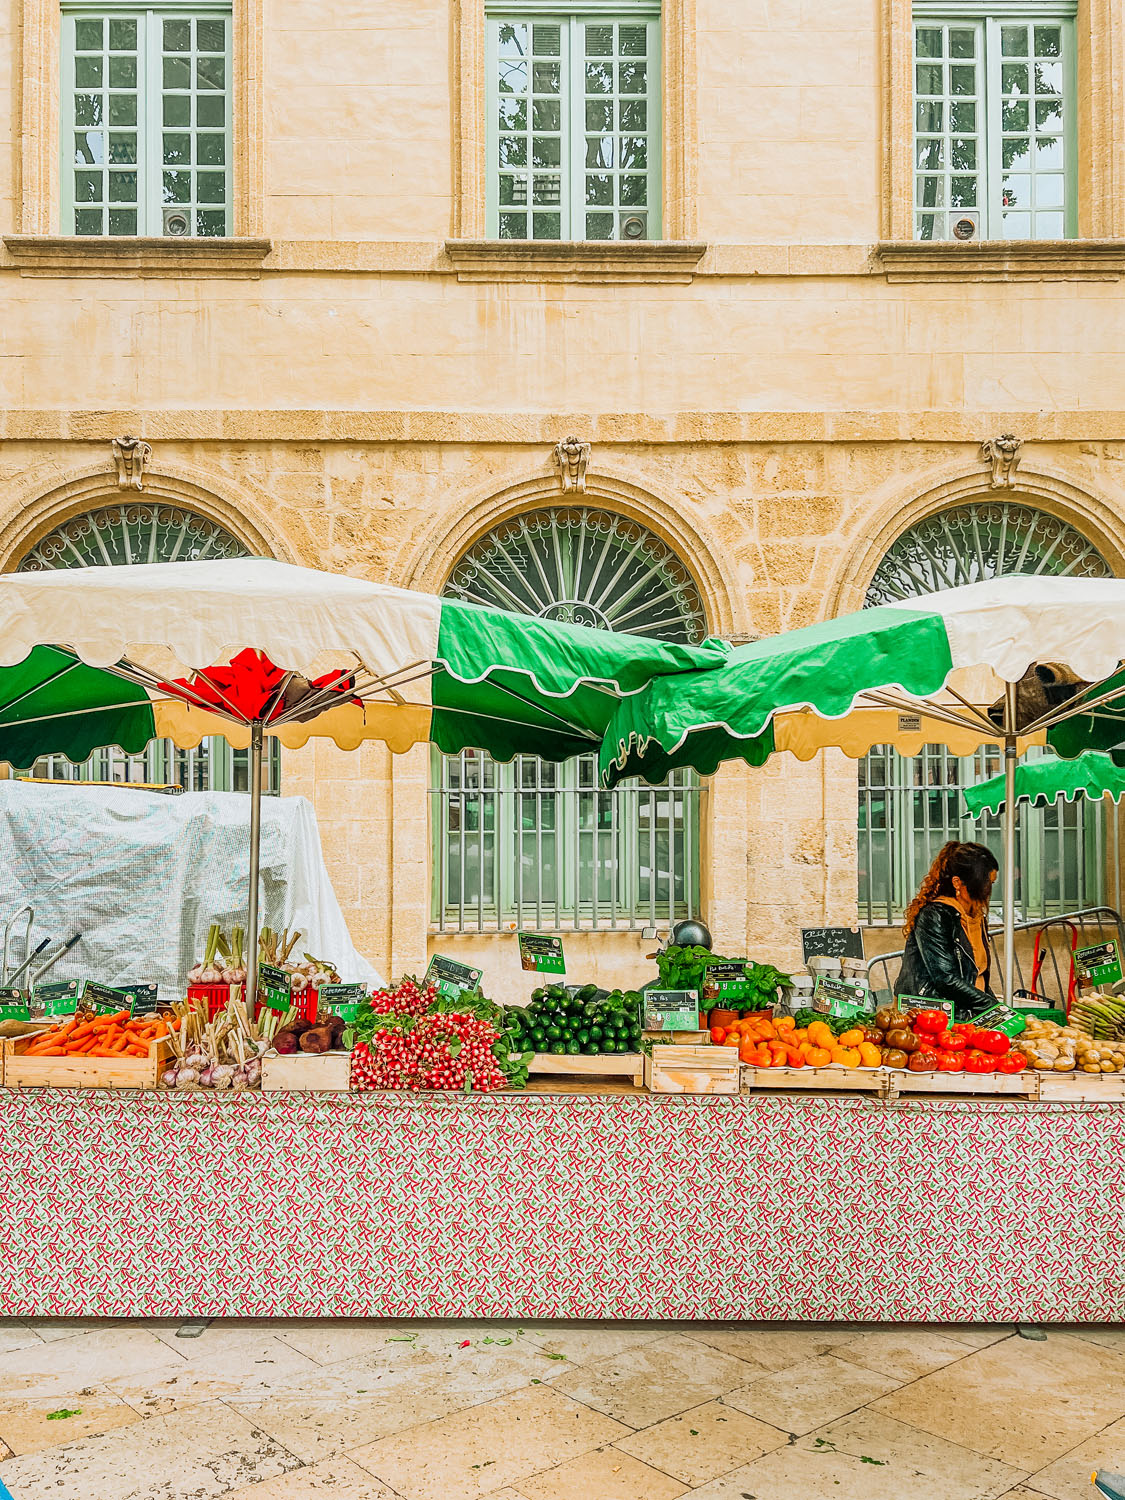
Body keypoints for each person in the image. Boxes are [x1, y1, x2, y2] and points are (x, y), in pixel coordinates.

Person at [895, 840, 1000, 1018]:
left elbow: (976, 973)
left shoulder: (976, 917)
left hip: (967, 1011)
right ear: (957, 883)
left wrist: (995, 1008)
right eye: (984, 884)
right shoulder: (935, 915)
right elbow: (946, 979)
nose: (988, 891)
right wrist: (994, 1009)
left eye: (991, 883)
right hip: (931, 1014)